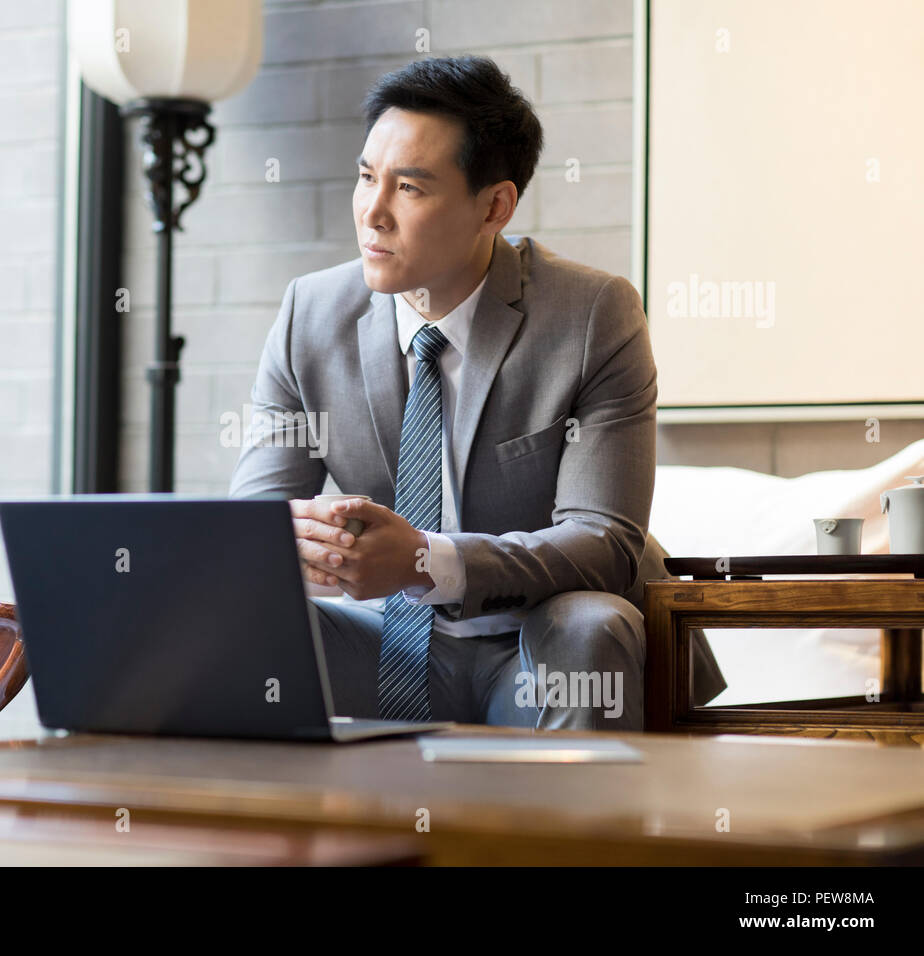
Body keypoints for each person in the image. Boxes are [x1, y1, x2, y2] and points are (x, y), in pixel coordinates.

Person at [228, 55, 723, 730]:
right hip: (384, 646)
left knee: (589, 626)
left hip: (536, 641)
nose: (372, 214)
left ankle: (572, 835)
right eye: (366, 177)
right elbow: (252, 519)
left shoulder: (591, 314)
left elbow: (604, 539)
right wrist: (302, 540)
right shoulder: (309, 315)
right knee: (242, 620)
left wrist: (427, 561)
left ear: (494, 205)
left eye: (409, 188)